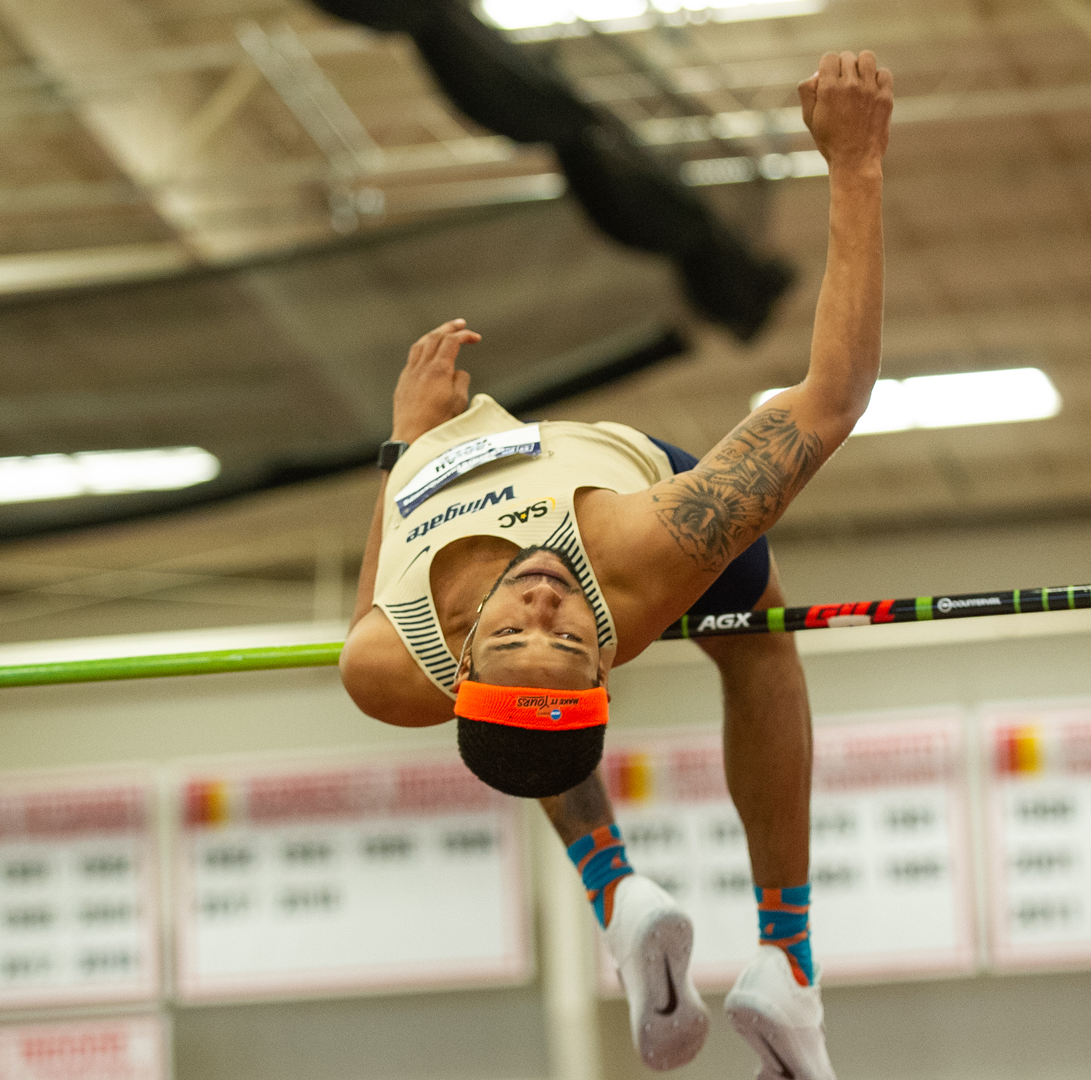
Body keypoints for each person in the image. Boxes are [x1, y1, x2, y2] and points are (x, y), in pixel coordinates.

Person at [340, 51, 892, 1080]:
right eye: (570, 638)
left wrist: (404, 448)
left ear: (457, 656)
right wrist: (856, 169)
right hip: (630, 475)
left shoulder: (386, 672)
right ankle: (789, 958)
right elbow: (834, 395)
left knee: (531, 727)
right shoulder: (642, 554)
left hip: (452, 481)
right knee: (759, 648)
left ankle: (615, 891)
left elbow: (383, 584)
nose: (544, 602)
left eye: (515, 631)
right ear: (611, 659)